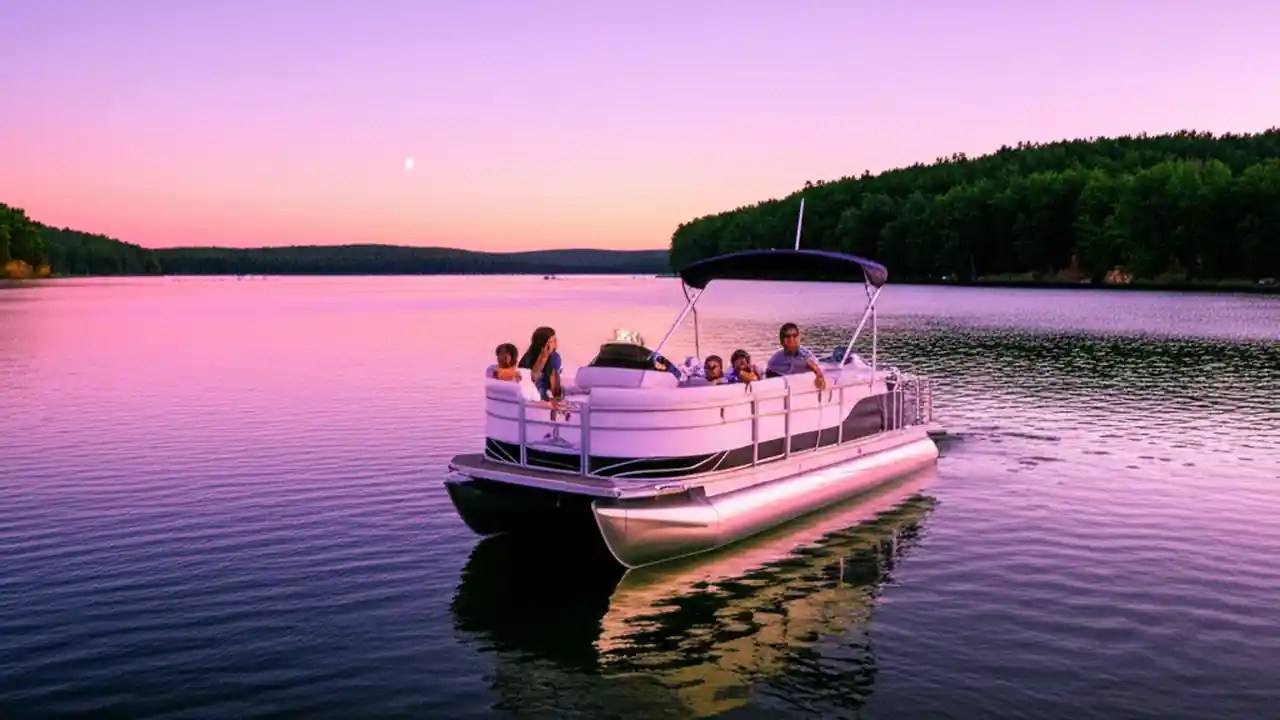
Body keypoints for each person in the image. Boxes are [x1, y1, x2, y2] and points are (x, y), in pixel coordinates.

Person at [766, 322, 827, 390]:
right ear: (782, 340)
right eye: (787, 336)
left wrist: (819, 377)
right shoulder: (775, 360)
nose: (791, 339)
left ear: (799, 338)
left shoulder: (805, 355)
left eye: (794, 336)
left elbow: (816, 369)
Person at [517, 326, 562, 400]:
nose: (556, 343)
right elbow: (529, 380)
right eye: (552, 341)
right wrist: (543, 358)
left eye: (555, 340)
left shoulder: (554, 357)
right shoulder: (529, 357)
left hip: (533, 395)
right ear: (544, 344)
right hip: (537, 396)